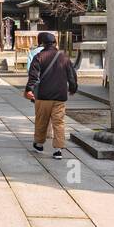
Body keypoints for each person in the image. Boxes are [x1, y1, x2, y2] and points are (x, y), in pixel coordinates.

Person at [23, 31, 77, 159]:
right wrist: (73, 88)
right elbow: (71, 75)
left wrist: (29, 89)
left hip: (43, 95)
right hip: (60, 96)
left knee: (41, 121)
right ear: (55, 42)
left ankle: (39, 145)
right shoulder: (64, 57)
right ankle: (58, 150)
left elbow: (33, 76)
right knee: (59, 122)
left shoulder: (39, 57)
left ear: (41, 42)